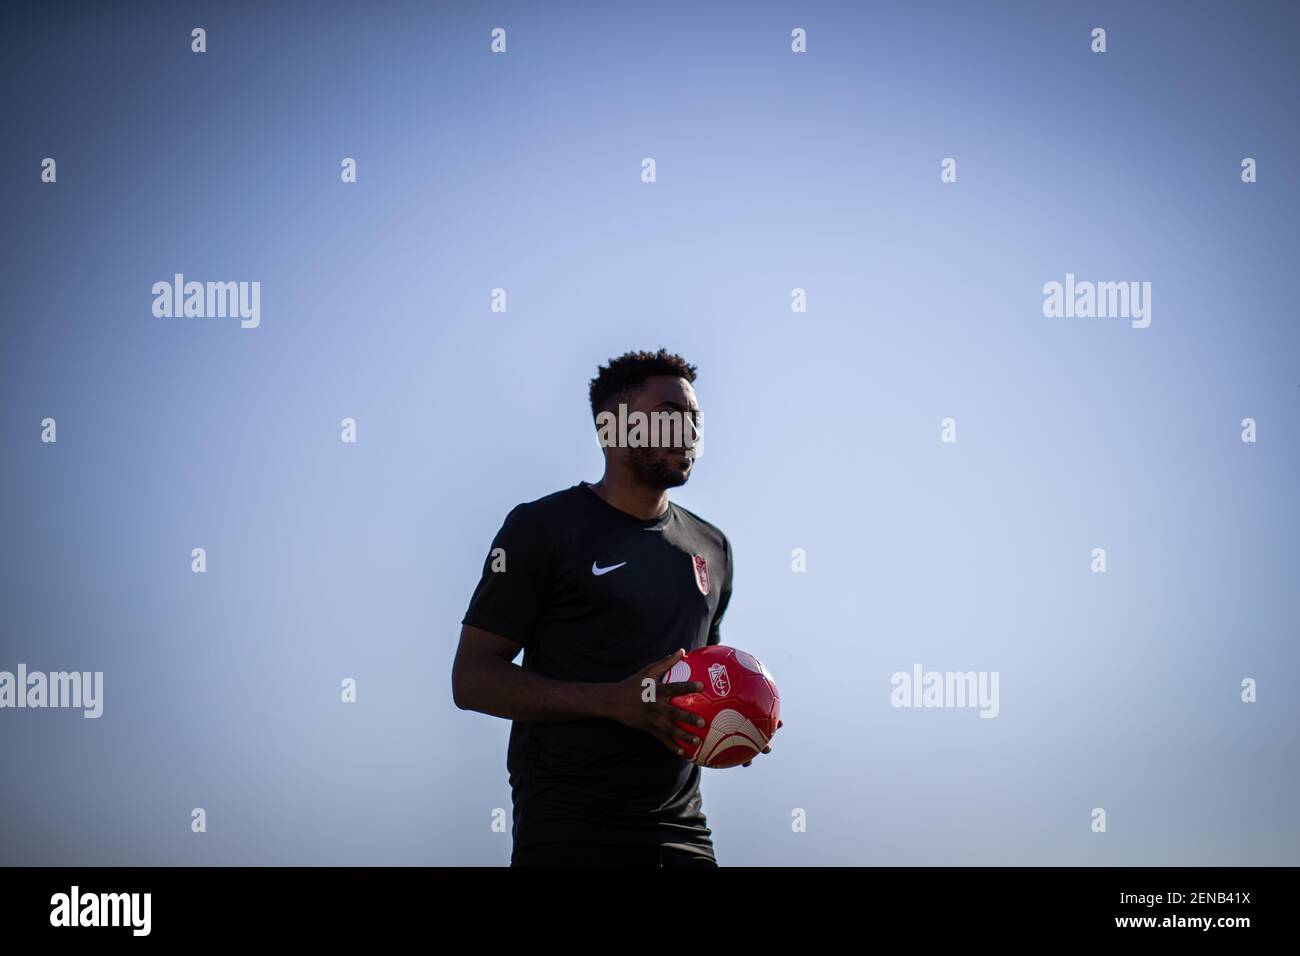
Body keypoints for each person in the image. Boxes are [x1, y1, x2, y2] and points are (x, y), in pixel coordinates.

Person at [451, 349, 775, 866]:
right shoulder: (539, 529)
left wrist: (737, 719)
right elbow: (471, 679)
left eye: (695, 419)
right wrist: (612, 701)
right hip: (571, 832)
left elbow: (695, 682)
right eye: (671, 415)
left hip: (684, 835)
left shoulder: (713, 549)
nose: (689, 432)